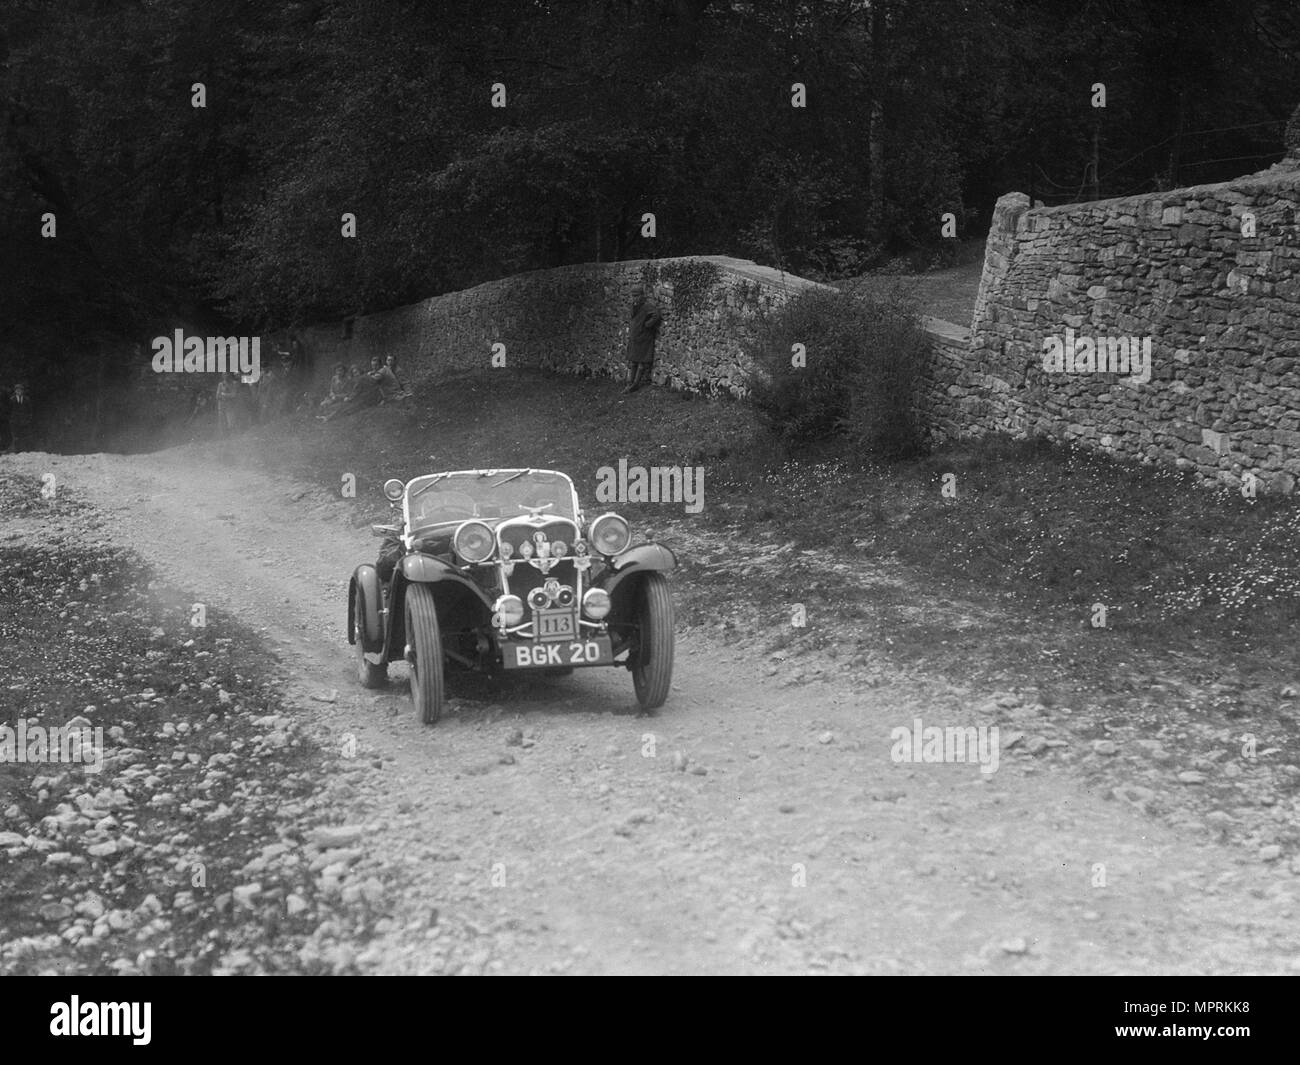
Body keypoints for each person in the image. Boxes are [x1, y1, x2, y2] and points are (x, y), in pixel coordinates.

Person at [622, 285, 663, 394]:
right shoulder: (633, 306)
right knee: (633, 361)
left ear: (642, 295)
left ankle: (635, 384)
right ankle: (630, 383)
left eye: (637, 296)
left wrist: (648, 324)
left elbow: (656, 314)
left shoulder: (646, 306)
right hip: (635, 337)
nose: (635, 298)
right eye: (633, 296)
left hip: (644, 337)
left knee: (641, 362)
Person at [7, 383, 34, 452]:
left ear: (23, 391)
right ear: (15, 391)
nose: (19, 391)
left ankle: (26, 451)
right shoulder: (11, 399)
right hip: (14, 421)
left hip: (24, 421)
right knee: (16, 436)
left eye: (20, 390)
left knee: (25, 436)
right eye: (17, 390)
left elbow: (30, 410)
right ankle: (17, 451)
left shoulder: (27, 399)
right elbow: (8, 411)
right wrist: (11, 419)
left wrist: (28, 419)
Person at [215, 372, 240, 437]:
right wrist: (223, 396)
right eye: (224, 375)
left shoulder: (233, 384)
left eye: (226, 374)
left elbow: (234, 394)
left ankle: (232, 435)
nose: (225, 376)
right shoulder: (220, 384)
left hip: (229, 405)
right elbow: (217, 396)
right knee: (222, 422)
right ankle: (223, 436)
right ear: (222, 376)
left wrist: (224, 395)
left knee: (231, 421)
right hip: (221, 406)